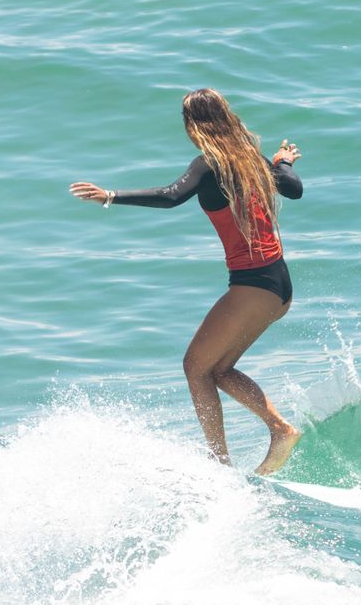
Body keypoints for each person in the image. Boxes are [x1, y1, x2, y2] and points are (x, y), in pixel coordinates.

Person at [69, 88, 304, 475]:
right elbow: (293, 188)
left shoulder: (209, 164)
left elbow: (170, 196)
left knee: (195, 366)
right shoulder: (251, 161)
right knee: (218, 370)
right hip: (277, 286)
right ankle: (280, 431)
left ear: (195, 126)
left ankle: (220, 465)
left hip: (254, 284)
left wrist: (110, 196)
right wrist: (282, 163)